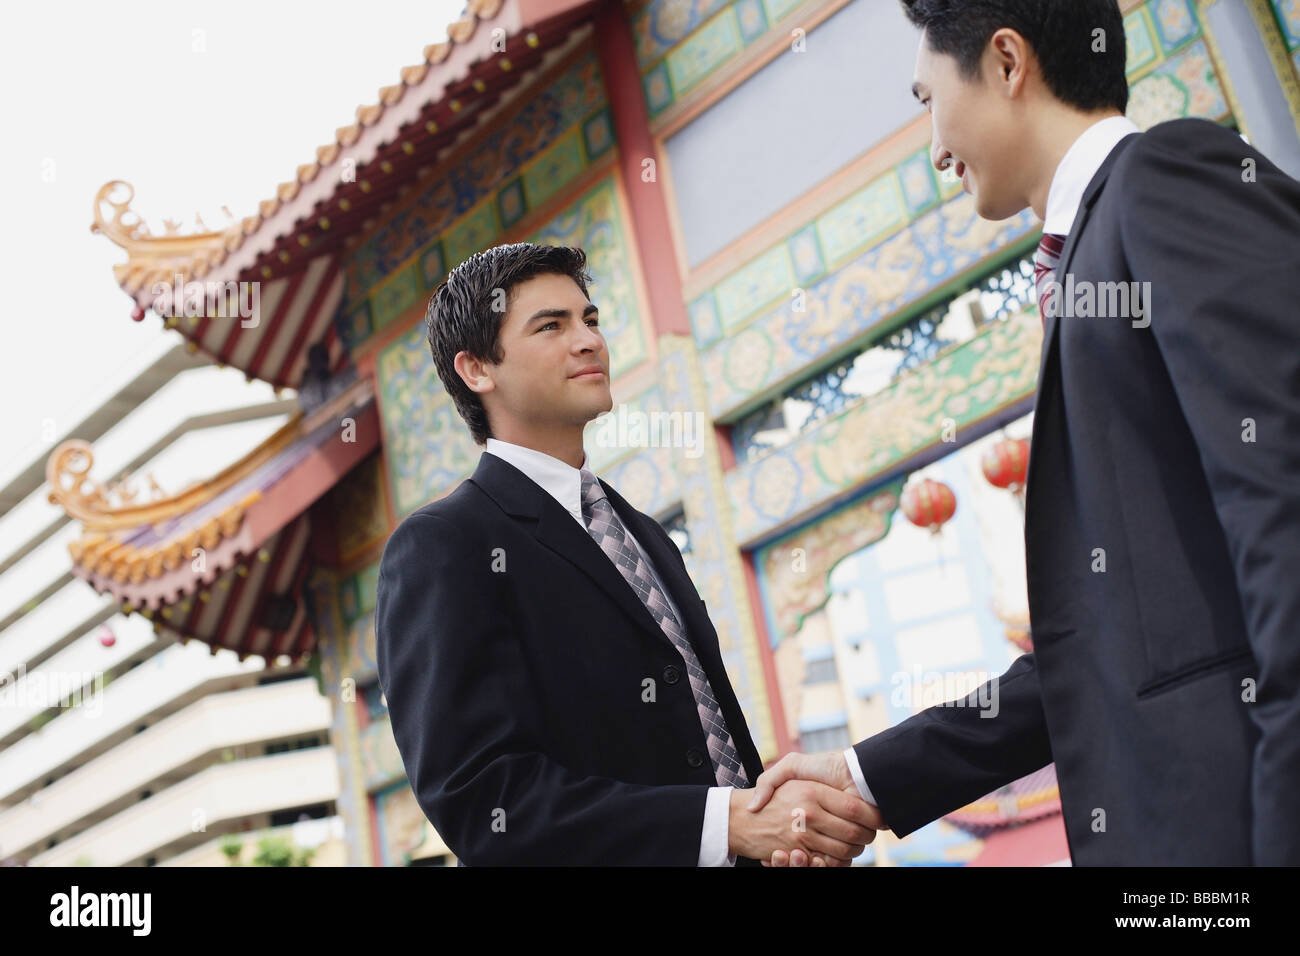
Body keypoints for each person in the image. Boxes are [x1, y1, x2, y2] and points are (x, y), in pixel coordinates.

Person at [748, 0, 1300, 866]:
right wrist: (863, 778)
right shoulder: (1088, 257)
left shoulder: (1165, 180)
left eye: (927, 99)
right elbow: (1095, 653)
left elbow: (1287, 505)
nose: (934, 147)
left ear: (1007, 62)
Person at [375, 242, 882, 864]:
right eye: (550, 326)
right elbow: (485, 804)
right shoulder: (444, 545)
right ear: (477, 369)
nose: (588, 340)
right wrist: (725, 825)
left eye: (589, 319)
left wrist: (768, 825)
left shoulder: (641, 533)